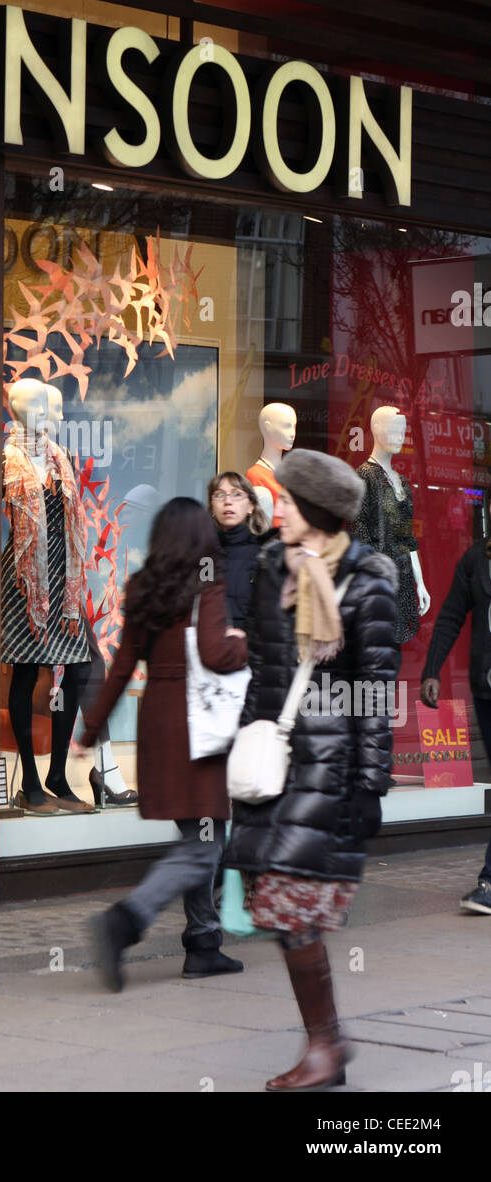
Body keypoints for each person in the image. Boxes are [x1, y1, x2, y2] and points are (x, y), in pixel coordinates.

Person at [227, 449, 398, 1092]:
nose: (278, 510)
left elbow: (375, 692)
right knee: (271, 902)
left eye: (290, 504)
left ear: (319, 513)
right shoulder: (273, 567)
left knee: (292, 903)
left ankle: (325, 1046)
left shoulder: (368, 578)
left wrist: (370, 784)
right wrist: (247, 742)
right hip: (272, 763)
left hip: (331, 768)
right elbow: (264, 668)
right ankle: (327, 1040)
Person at [79, 497, 248, 990]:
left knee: (200, 833)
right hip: (197, 727)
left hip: (159, 722)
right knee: (203, 845)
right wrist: (244, 641)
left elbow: (121, 667)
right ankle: (125, 920)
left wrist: (89, 731)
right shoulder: (207, 583)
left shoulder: (143, 587)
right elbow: (217, 654)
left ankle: (204, 944)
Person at [419, 534, 491, 914]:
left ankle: (490, 881)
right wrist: (432, 670)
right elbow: (449, 616)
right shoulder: (477, 558)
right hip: (486, 688)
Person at [207, 470, 273, 630]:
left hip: (250, 647)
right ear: (212, 506)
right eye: (220, 495)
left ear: (251, 505)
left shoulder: (265, 552)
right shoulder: (205, 554)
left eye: (236, 494)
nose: (228, 501)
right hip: (212, 644)